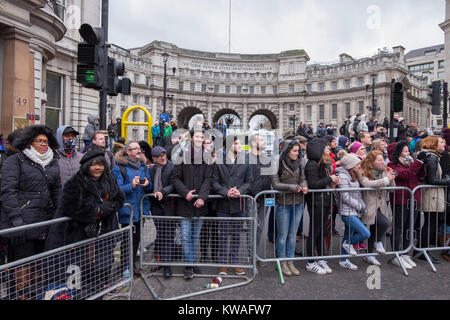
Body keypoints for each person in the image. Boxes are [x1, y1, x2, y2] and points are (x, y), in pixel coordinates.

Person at [0, 125, 61, 300]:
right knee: (22, 268)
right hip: (22, 224)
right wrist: (16, 220)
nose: (44, 144)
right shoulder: (14, 161)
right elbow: (8, 192)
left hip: (44, 222)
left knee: (40, 266)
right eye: (39, 141)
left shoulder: (51, 161)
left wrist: (59, 214)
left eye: (46, 141)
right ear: (29, 142)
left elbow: (57, 190)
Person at [58, 149, 125, 292]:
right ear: (86, 165)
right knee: (82, 271)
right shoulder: (75, 182)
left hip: (105, 232)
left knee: (103, 265)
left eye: (100, 164)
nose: (97, 168)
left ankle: (100, 289)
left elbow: (120, 198)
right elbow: (68, 207)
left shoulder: (109, 180)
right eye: (93, 164)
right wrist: (96, 211)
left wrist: (110, 207)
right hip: (81, 235)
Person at [172, 129, 213, 280]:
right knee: (185, 237)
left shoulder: (207, 157)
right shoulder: (182, 155)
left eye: (202, 137)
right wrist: (186, 193)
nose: (199, 139)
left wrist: (202, 197)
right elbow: (176, 178)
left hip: (200, 204)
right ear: (191, 138)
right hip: (185, 203)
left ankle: (191, 262)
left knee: (195, 237)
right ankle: (189, 265)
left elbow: (208, 179)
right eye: (197, 136)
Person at [213, 136, 252, 276]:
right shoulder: (219, 162)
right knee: (223, 236)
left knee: (236, 235)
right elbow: (215, 182)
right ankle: (222, 264)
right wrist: (226, 192)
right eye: (236, 143)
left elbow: (249, 182)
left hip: (238, 203)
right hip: (223, 203)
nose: (240, 145)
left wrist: (240, 191)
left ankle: (234, 262)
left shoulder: (245, 161)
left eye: (239, 143)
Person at [112, 141, 153, 275]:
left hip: (141, 209)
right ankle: (124, 267)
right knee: (126, 241)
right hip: (127, 211)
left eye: (139, 148)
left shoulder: (143, 166)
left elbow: (150, 186)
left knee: (136, 240)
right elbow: (117, 190)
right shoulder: (119, 168)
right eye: (134, 149)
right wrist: (131, 185)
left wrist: (146, 184)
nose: (138, 151)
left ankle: (132, 265)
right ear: (128, 152)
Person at [271, 140, 308, 277]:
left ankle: (290, 261)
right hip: (283, 203)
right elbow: (275, 184)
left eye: (298, 151)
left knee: (292, 235)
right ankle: (281, 262)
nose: (297, 153)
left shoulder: (300, 162)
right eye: (295, 151)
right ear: (287, 151)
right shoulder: (277, 163)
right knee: (283, 235)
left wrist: (304, 185)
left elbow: (303, 178)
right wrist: (292, 187)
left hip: (298, 202)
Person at [304, 138, 340, 275]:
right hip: (316, 202)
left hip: (324, 201)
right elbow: (313, 183)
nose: (328, 149)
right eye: (326, 147)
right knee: (315, 231)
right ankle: (310, 261)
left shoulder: (322, 163)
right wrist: (330, 179)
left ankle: (320, 258)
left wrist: (332, 181)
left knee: (322, 231)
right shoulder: (312, 164)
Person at [387, 141, 424, 269]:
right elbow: (404, 174)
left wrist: (423, 166)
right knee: (398, 227)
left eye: (408, 151)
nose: (408, 153)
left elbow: (419, 176)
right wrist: (419, 163)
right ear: (397, 153)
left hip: (413, 199)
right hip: (400, 200)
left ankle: (404, 253)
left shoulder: (411, 164)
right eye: (405, 151)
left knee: (409, 227)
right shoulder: (391, 165)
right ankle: (396, 254)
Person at [414, 136, 450, 264]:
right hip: (432, 195)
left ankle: (421, 251)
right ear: (434, 144)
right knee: (430, 224)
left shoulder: (431, 156)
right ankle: (422, 252)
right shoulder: (432, 158)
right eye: (441, 142)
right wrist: (447, 180)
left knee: (429, 224)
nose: (444, 144)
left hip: (432, 194)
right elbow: (432, 180)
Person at [359, 150, 396, 266]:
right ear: (372, 161)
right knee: (384, 223)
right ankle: (377, 242)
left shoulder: (383, 172)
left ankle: (369, 254)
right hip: (368, 204)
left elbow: (392, 189)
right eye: (379, 160)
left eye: (382, 160)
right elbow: (367, 184)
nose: (382, 162)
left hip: (380, 204)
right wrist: (385, 180)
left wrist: (391, 177)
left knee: (375, 228)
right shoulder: (363, 171)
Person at [335, 152, 371, 271]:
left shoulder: (353, 174)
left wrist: (361, 206)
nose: (359, 166)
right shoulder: (343, 176)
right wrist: (360, 206)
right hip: (347, 212)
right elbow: (344, 196)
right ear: (350, 166)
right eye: (357, 164)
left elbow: (357, 193)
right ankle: (348, 244)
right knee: (365, 233)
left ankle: (343, 260)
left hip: (354, 210)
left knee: (348, 234)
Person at [247, 134, 274, 265]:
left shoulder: (267, 159)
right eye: (262, 140)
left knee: (260, 227)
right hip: (252, 198)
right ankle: (251, 256)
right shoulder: (246, 158)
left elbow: (270, 178)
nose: (264, 142)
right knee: (252, 226)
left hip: (265, 198)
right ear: (253, 143)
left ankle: (255, 254)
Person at [149, 146, 175, 278]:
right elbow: (150, 185)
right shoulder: (152, 169)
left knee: (168, 235)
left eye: (164, 154)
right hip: (156, 207)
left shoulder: (172, 166)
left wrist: (163, 192)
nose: (163, 157)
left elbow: (173, 184)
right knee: (161, 234)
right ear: (154, 158)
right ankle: (159, 260)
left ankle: (167, 266)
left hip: (170, 206)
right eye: (159, 156)